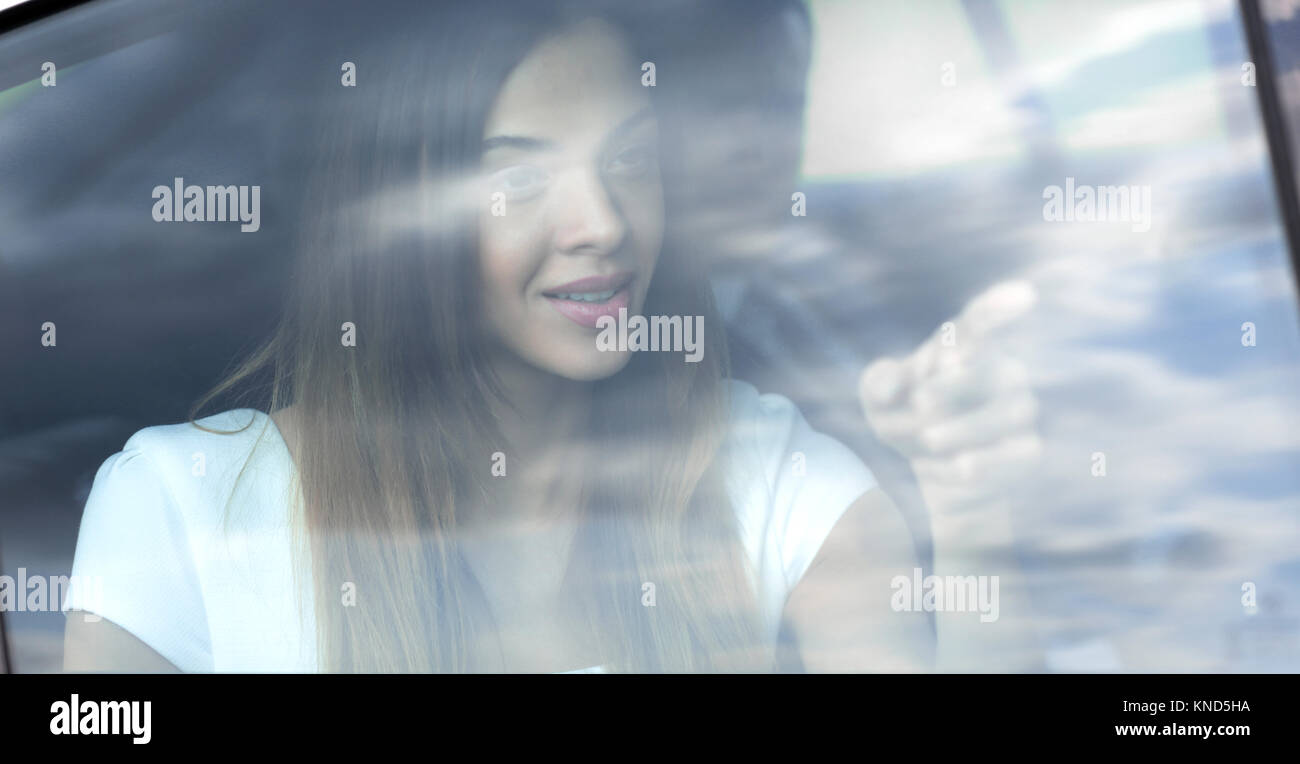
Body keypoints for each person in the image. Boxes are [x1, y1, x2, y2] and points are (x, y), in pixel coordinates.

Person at [60, 0, 1026, 673]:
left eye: (629, 161)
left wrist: (974, 508)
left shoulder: (761, 472)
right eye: (518, 179)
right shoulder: (179, 513)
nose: (602, 221)